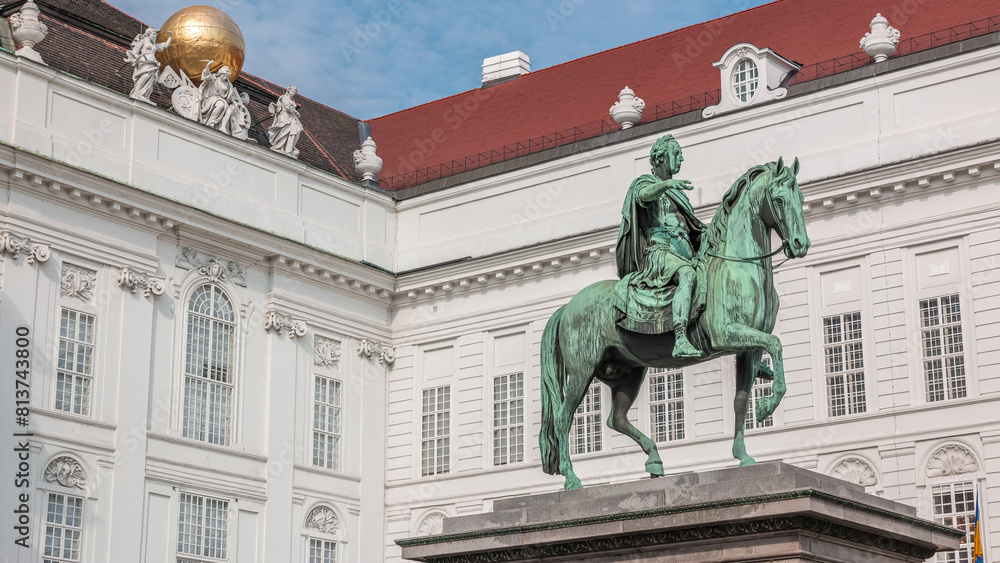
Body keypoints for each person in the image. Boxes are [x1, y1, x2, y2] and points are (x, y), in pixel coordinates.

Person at [614, 134, 705, 358]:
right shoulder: (644, 183)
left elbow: (693, 229)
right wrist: (665, 185)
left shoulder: (679, 195)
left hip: (685, 253)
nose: (681, 158)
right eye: (677, 153)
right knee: (687, 275)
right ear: (661, 157)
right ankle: (681, 338)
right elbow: (643, 197)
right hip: (660, 252)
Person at [199, 61, 251, 140]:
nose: (225, 77)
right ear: (220, 74)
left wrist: (235, 104)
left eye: (226, 76)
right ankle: (211, 122)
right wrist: (208, 65)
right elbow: (206, 74)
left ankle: (223, 126)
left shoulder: (228, 84)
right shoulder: (214, 80)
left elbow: (229, 96)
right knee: (221, 105)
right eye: (224, 75)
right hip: (212, 99)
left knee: (229, 111)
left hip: (222, 100)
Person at [125, 28, 171, 104]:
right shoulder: (143, 40)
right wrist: (136, 56)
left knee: (150, 77)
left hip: (152, 62)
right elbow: (136, 49)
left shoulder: (154, 45)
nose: (154, 36)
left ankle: (144, 95)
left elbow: (165, 45)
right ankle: (137, 92)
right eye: (153, 34)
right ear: (148, 33)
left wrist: (170, 37)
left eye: (155, 35)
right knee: (145, 75)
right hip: (144, 61)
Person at [268, 85, 303, 157]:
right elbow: (288, 107)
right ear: (288, 91)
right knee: (284, 130)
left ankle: (290, 147)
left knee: (298, 129)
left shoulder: (292, 100)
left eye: (294, 92)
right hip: (284, 115)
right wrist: (296, 112)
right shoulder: (284, 98)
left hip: (291, 116)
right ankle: (279, 146)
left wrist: (295, 112)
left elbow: (291, 109)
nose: (293, 93)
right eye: (292, 91)